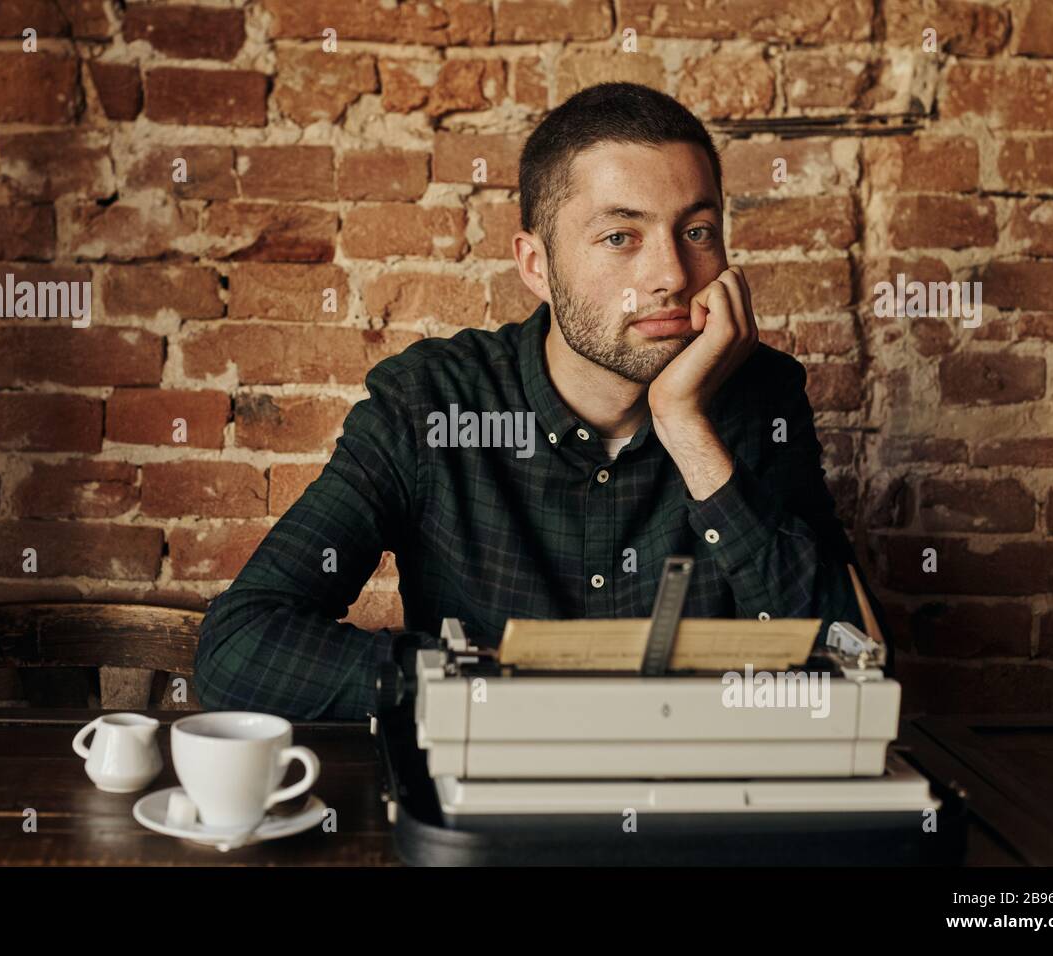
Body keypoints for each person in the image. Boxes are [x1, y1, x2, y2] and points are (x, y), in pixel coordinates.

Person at [194, 81, 888, 719]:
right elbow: (240, 647)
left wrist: (687, 426)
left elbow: (855, 671)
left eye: (697, 232)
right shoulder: (431, 403)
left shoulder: (757, 398)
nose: (672, 274)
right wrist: (498, 691)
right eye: (621, 237)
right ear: (536, 266)